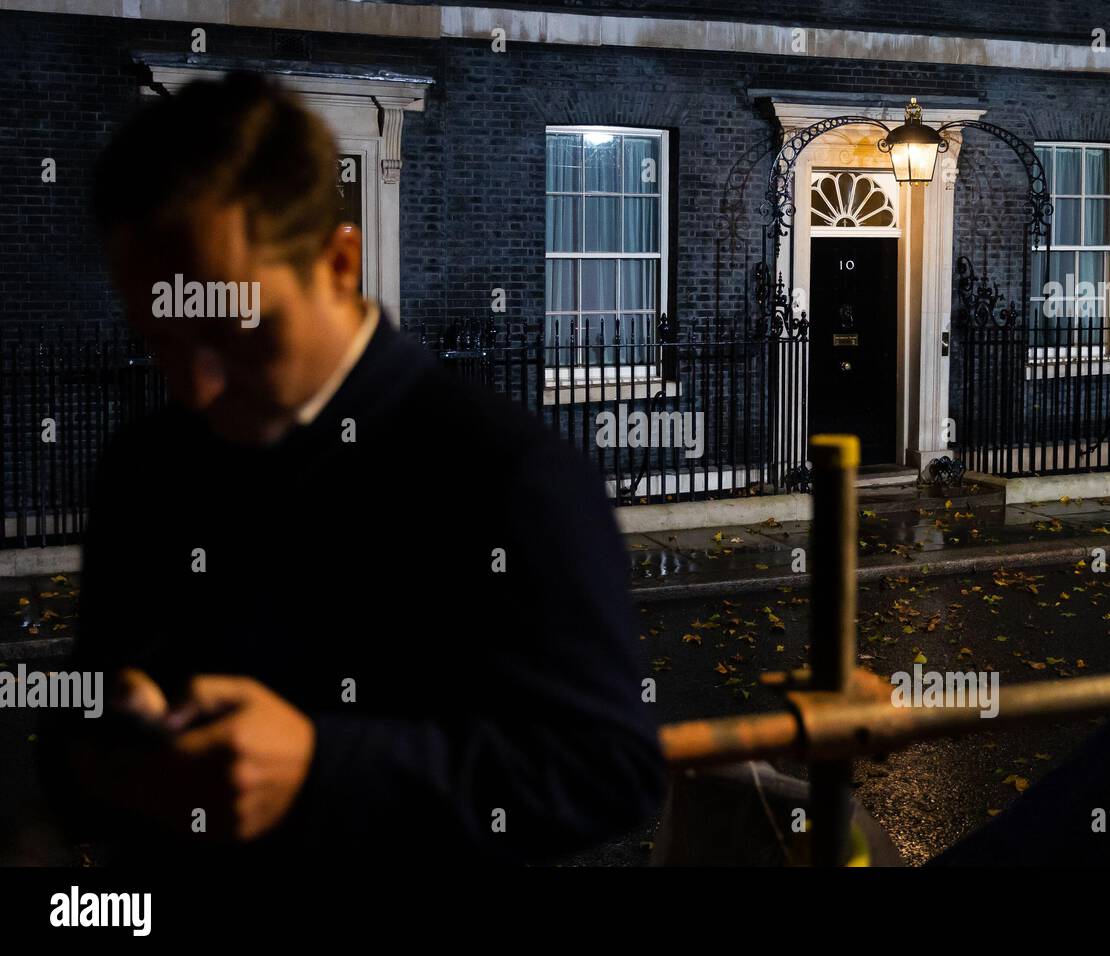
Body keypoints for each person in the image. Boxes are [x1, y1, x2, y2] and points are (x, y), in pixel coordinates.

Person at [40, 71, 665, 864]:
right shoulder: (144, 463)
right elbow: (78, 713)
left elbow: (609, 770)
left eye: (241, 329)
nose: (198, 386)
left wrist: (320, 765)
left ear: (340, 263)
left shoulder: (507, 473)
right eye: (161, 337)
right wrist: (103, 729)